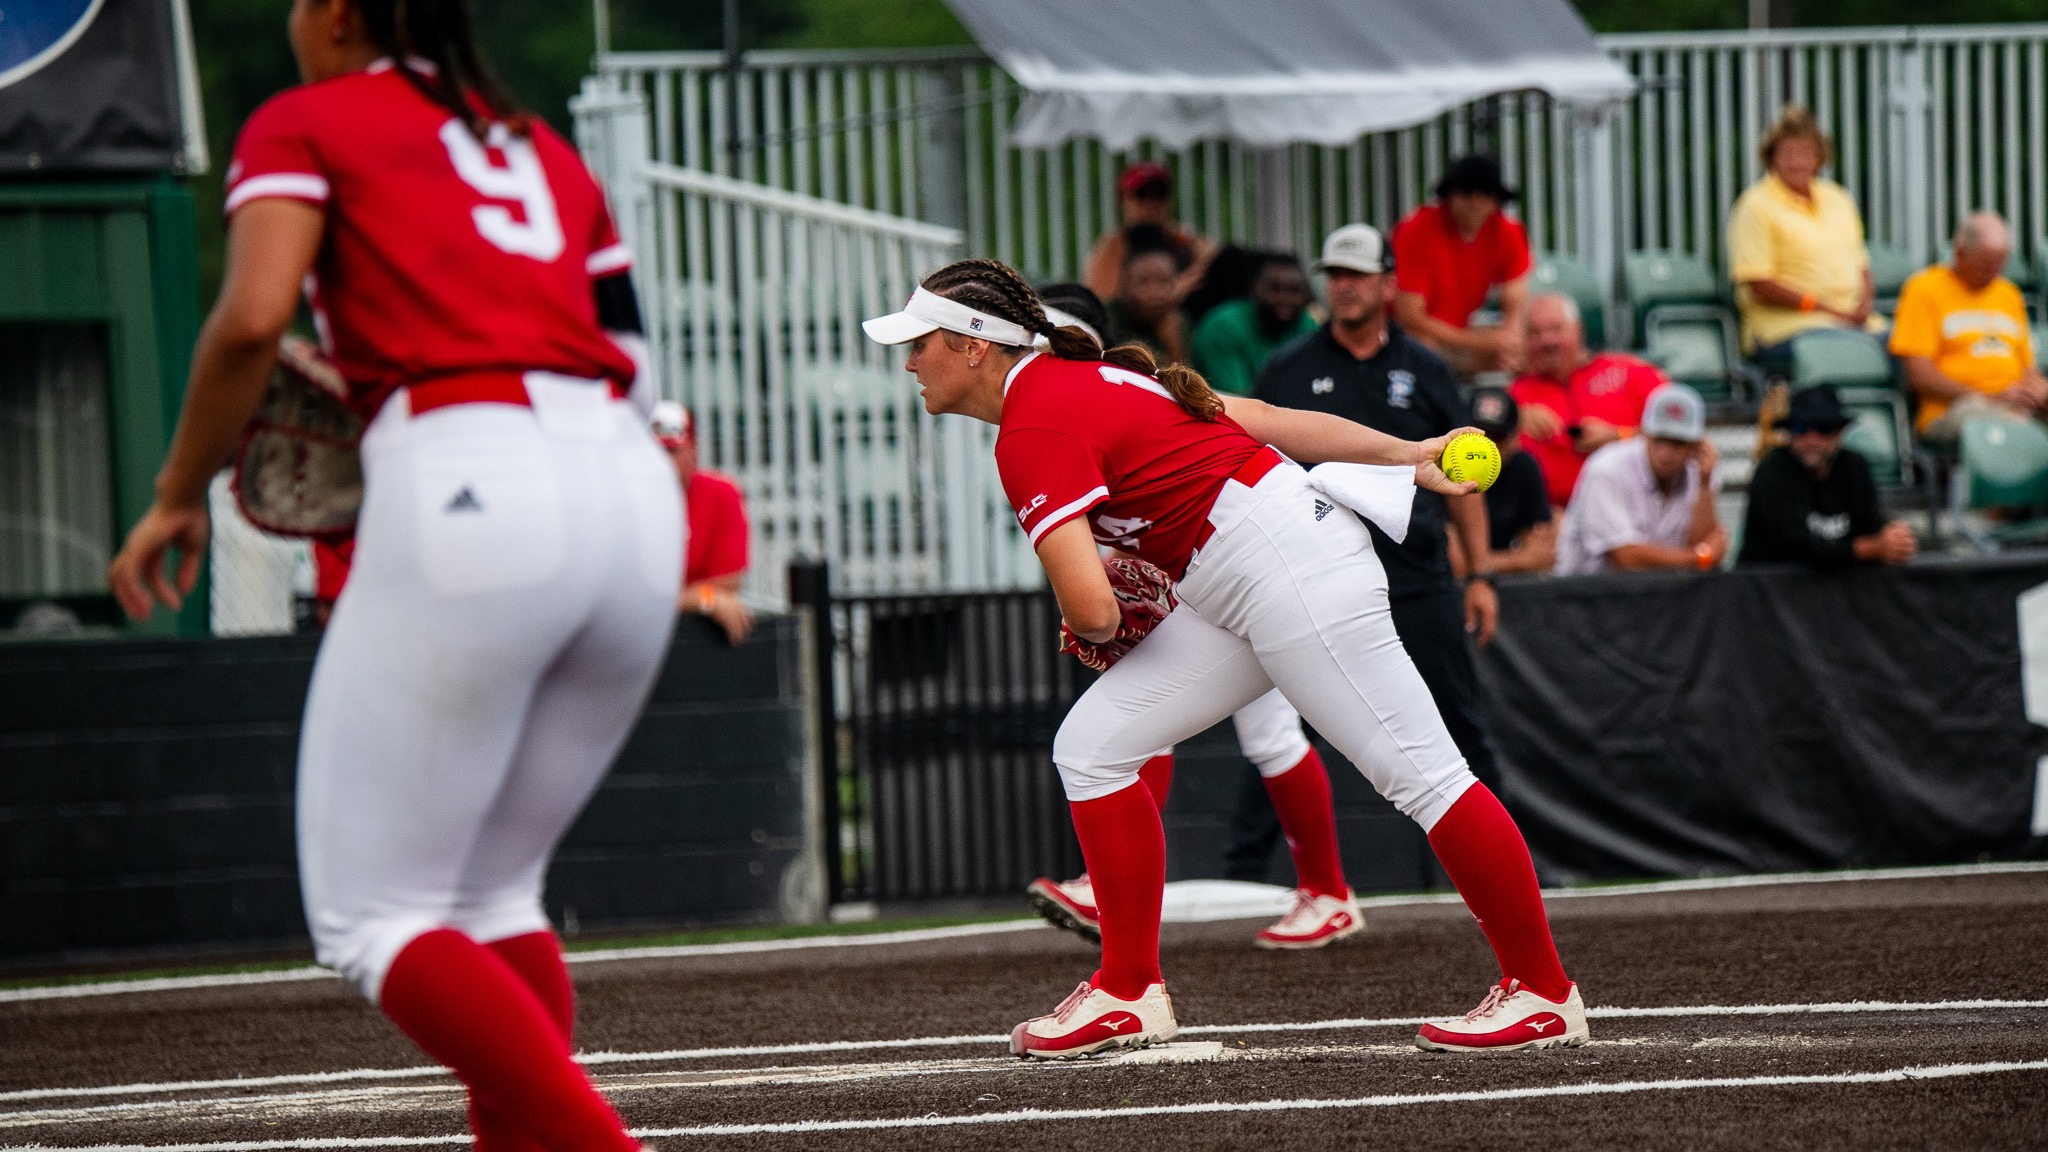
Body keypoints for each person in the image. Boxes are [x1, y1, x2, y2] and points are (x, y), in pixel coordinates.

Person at [104, 3, 675, 1148]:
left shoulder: (306, 121)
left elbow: (251, 318)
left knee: (374, 918)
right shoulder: (537, 144)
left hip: (473, 466)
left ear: (339, 13)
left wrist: (177, 491)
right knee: (490, 897)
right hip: (632, 488)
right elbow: (633, 355)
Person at [865, 257, 1588, 1059]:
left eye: (918, 341)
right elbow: (1266, 415)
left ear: (973, 347)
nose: (906, 360)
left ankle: (1545, 992)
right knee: (1093, 749)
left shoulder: (1034, 425)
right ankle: (1128, 991)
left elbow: (1096, 613)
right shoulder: (1090, 379)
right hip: (1255, 565)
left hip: (1282, 568)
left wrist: (1106, 621)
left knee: (1425, 776)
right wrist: (1406, 451)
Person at [1029, 282, 1359, 952]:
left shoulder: (1117, 393)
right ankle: (1325, 891)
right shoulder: (1081, 401)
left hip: (1250, 561)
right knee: (1183, 727)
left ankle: (1326, 892)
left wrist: (1410, 455)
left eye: (1035, 347)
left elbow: (1258, 427)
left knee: (1341, 749)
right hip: (1224, 566)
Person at [1255, 224, 1505, 793]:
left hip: (1416, 572)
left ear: (1389, 284)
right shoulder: (1286, 368)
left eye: (1358, 275)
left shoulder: (1427, 368)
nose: (1344, 287)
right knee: (1284, 737)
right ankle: (1257, 871)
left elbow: (1462, 481)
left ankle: (1511, 872)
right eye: (1335, 275)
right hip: (1316, 575)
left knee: (1460, 726)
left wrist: (1482, 573)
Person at [1727, 105, 1879, 374]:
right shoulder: (1755, 205)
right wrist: (1829, 311)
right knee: (1862, 352)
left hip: (1857, 324)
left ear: (1820, 158)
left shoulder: (1838, 198)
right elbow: (1757, 282)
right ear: (1771, 158)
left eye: (1806, 153)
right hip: (1788, 329)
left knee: (1912, 350)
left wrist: (1864, 307)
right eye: (1788, 154)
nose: (1797, 162)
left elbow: (1861, 264)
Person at [1890, 211, 2047, 441]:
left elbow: (2027, 368)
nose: (1994, 273)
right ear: (1959, 253)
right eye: (1985, 265)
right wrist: (1990, 396)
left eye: (2000, 263)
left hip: (2015, 404)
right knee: (2018, 430)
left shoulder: (2009, 294)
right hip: (1954, 409)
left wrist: (2038, 390)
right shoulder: (1923, 290)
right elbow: (1919, 374)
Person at [1510, 292, 1666, 509]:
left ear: (1578, 329)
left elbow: (1681, 435)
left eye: (1556, 329)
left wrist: (1619, 436)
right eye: (1535, 333)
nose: (1546, 340)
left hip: (1633, 508)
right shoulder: (1515, 396)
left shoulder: (1629, 373)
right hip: (1549, 517)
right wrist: (1514, 420)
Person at [1555, 384, 1728, 576]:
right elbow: (1626, 559)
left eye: (1677, 442)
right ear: (1644, 433)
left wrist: (1704, 484)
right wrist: (1699, 559)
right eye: (1659, 439)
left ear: (1695, 444)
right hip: (1587, 596)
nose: (1666, 453)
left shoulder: (1700, 469)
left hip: (1657, 595)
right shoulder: (1607, 468)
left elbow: (1703, 547)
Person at [1739, 386, 1917, 568]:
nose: (1811, 440)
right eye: (1800, 428)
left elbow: (1871, 525)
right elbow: (1794, 547)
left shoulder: (1854, 467)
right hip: (1770, 589)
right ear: (1790, 432)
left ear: (1840, 432)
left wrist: (1897, 540)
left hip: (1840, 591)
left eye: (1824, 428)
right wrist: (1872, 548)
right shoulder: (1773, 470)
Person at [1390, 154, 1532, 376]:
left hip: (1458, 335)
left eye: (1485, 192)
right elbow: (1410, 317)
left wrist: (1510, 341)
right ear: (1450, 195)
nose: (1475, 201)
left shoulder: (1508, 232)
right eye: (1466, 191)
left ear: (1496, 200)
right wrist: (1482, 343)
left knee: (1527, 353)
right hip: (1404, 336)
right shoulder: (1417, 230)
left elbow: (1517, 303)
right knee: (1424, 352)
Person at [653, 401, 754, 645]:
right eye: (654, 452)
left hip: (696, 643)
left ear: (693, 450)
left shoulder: (721, 494)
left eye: (671, 452)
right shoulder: (624, 502)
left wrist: (701, 597)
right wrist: (702, 598)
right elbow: (625, 600)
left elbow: (727, 586)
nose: (661, 463)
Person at [1084, 161, 1216, 308]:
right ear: (1123, 200)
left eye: (1159, 193)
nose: (1151, 203)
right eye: (1142, 194)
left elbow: (1219, 266)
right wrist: (1168, 294)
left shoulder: (1183, 238)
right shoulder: (1112, 247)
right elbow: (1105, 301)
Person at [1456, 388, 1555, 577]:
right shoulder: (1448, 471)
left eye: (1498, 437)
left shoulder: (1523, 466)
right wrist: (1520, 560)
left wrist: (1477, 562)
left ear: (1514, 439)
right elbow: (1456, 564)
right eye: (1481, 436)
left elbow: (1542, 557)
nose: (1488, 446)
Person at [1189, 252, 1317, 396]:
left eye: (1295, 290)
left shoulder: (1307, 325)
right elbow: (1237, 400)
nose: (1285, 299)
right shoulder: (1223, 327)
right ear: (1254, 289)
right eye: (1275, 289)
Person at [1105, 228, 1189, 364]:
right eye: (1143, 281)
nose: (1155, 293)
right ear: (1124, 285)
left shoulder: (1178, 323)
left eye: (1164, 281)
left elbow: (1187, 383)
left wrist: (1174, 349)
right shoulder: (1106, 319)